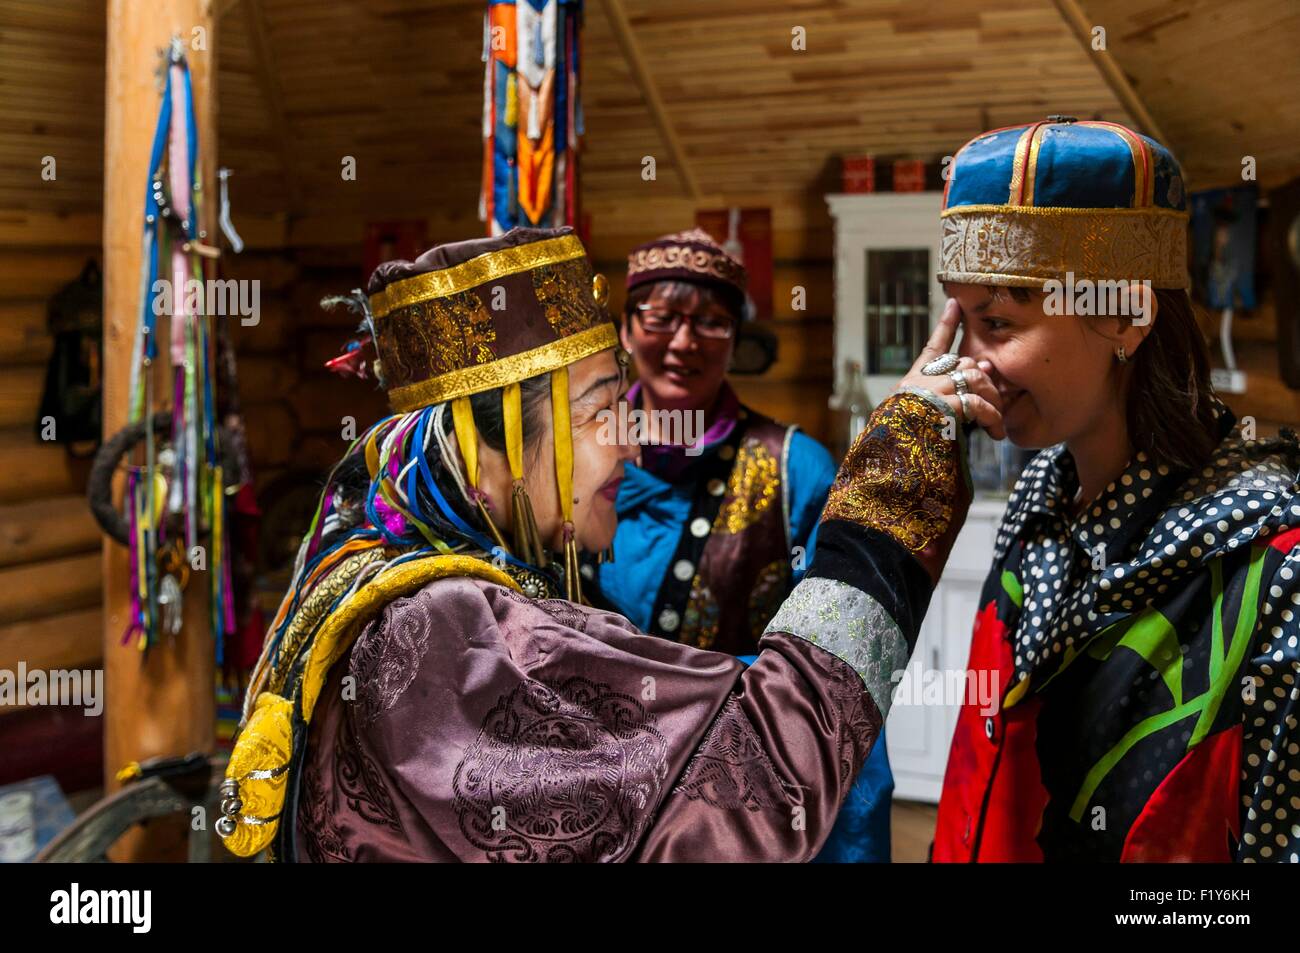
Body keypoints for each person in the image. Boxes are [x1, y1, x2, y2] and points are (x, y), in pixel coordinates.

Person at [215, 225, 1004, 862]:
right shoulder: (458, 630)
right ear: (490, 452)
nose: (627, 443)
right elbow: (754, 780)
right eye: (599, 411)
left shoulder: (373, 566)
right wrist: (897, 481)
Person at [930, 118, 1300, 862]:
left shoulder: (1273, 564)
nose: (967, 365)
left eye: (998, 322)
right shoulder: (1038, 507)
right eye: (962, 322)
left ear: (1128, 316)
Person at [593, 227, 893, 862]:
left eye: (711, 322)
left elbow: (838, 684)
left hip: (730, 810)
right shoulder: (576, 466)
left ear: (735, 341)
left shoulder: (796, 471)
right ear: (624, 329)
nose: (683, 342)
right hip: (587, 794)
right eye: (661, 316)